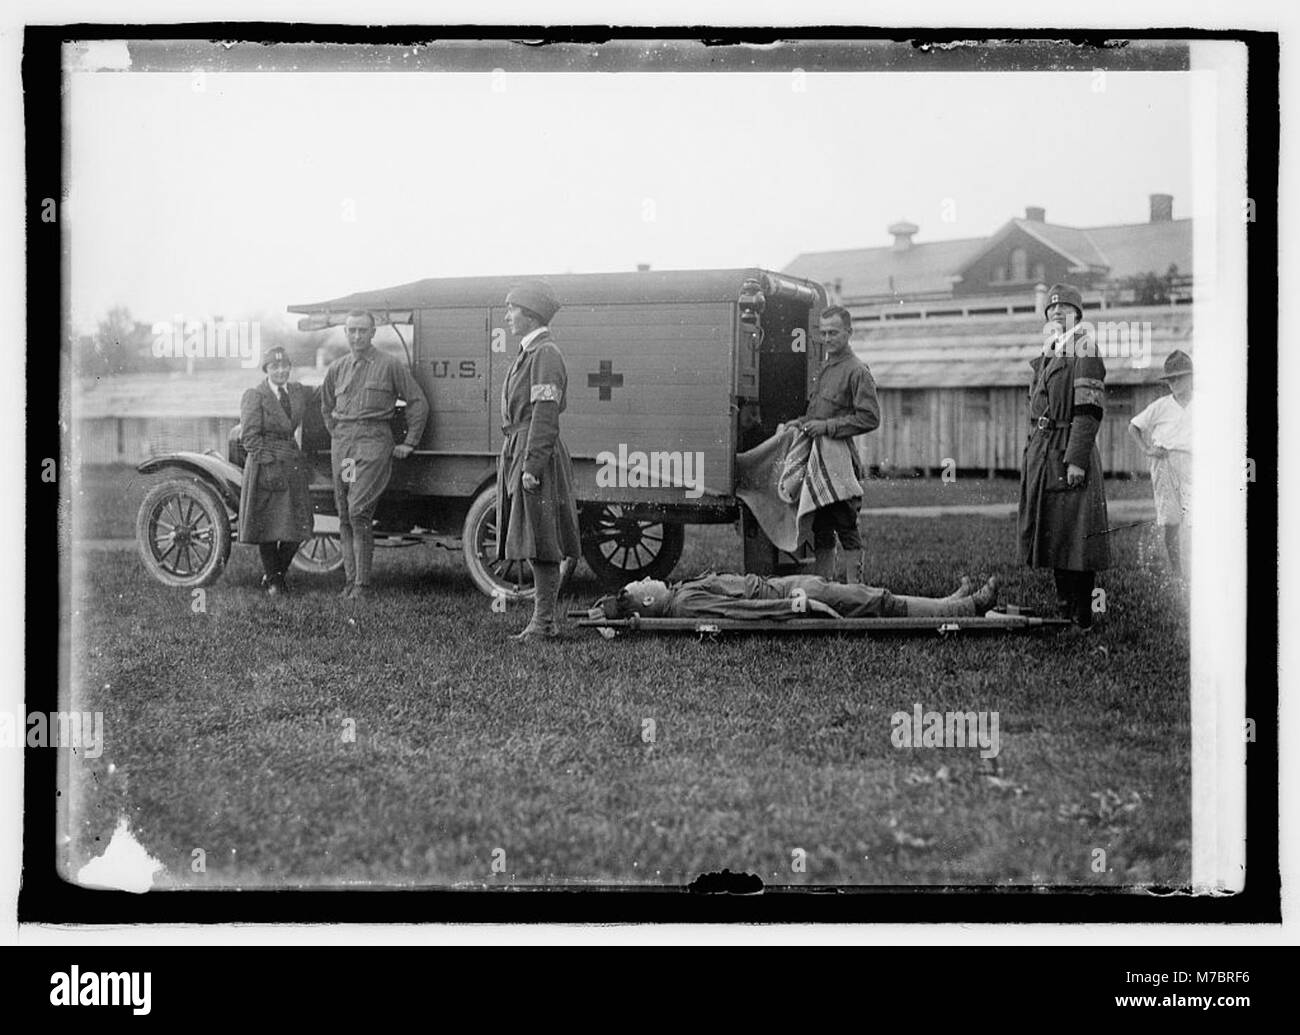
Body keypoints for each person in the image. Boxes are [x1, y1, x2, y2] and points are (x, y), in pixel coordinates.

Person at [320, 309, 429, 600]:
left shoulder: (389, 365)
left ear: (372, 333)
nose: (357, 336)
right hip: (345, 448)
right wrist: (338, 433)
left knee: (358, 510)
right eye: (352, 330)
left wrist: (410, 441)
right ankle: (350, 581)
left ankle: (362, 585)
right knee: (344, 512)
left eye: (362, 330)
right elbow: (326, 405)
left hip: (373, 445)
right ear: (345, 333)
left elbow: (418, 402)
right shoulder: (338, 368)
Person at [1018, 284, 1109, 630]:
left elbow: (1089, 410)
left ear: (1078, 316)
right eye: (1052, 311)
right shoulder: (1049, 353)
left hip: (1069, 449)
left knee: (1076, 536)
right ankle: (1063, 609)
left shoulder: (1084, 350)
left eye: (1065, 310)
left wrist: (1076, 460)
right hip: (1044, 449)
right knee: (1055, 533)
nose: (1057, 314)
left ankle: (1081, 615)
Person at [497, 280, 581, 641]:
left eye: (512, 309)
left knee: (541, 539)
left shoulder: (545, 354)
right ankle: (543, 621)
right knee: (534, 537)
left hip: (536, 451)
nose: (508, 316)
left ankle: (543, 623)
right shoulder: (530, 352)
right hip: (522, 446)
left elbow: (545, 413)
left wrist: (531, 466)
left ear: (530, 315)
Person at [791, 305, 880, 582]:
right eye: (824, 332)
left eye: (834, 332)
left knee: (846, 526)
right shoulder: (826, 368)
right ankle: (824, 587)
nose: (828, 338)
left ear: (849, 333)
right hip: (818, 464)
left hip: (840, 464)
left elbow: (869, 418)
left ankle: (856, 590)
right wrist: (802, 422)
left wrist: (827, 427)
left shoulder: (857, 371)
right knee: (821, 527)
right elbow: (818, 413)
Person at [592, 571, 998, 621]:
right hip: (791, 592)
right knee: (875, 601)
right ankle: (962, 608)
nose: (646, 577)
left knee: (869, 595)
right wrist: (798, 605)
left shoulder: (679, 593)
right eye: (639, 585)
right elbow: (743, 609)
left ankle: (949, 602)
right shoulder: (684, 604)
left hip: (787, 583)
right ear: (647, 602)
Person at [238, 346, 314, 595]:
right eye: (274, 367)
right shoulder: (255, 396)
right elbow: (249, 437)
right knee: (268, 527)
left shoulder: (297, 392)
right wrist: (269, 465)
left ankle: (274, 574)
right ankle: (275, 582)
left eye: (284, 366)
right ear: (266, 370)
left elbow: (325, 394)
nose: (280, 371)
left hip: (291, 464)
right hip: (264, 465)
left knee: (298, 526)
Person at [1127, 350, 1193, 577]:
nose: (1175, 383)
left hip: (1194, 463)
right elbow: (1134, 426)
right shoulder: (1161, 405)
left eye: (1180, 377)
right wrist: (1147, 449)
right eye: (1171, 379)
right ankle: (1177, 572)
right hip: (1165, 462)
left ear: (1191, 377)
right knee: (1171, 518)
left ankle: (1197, 568)